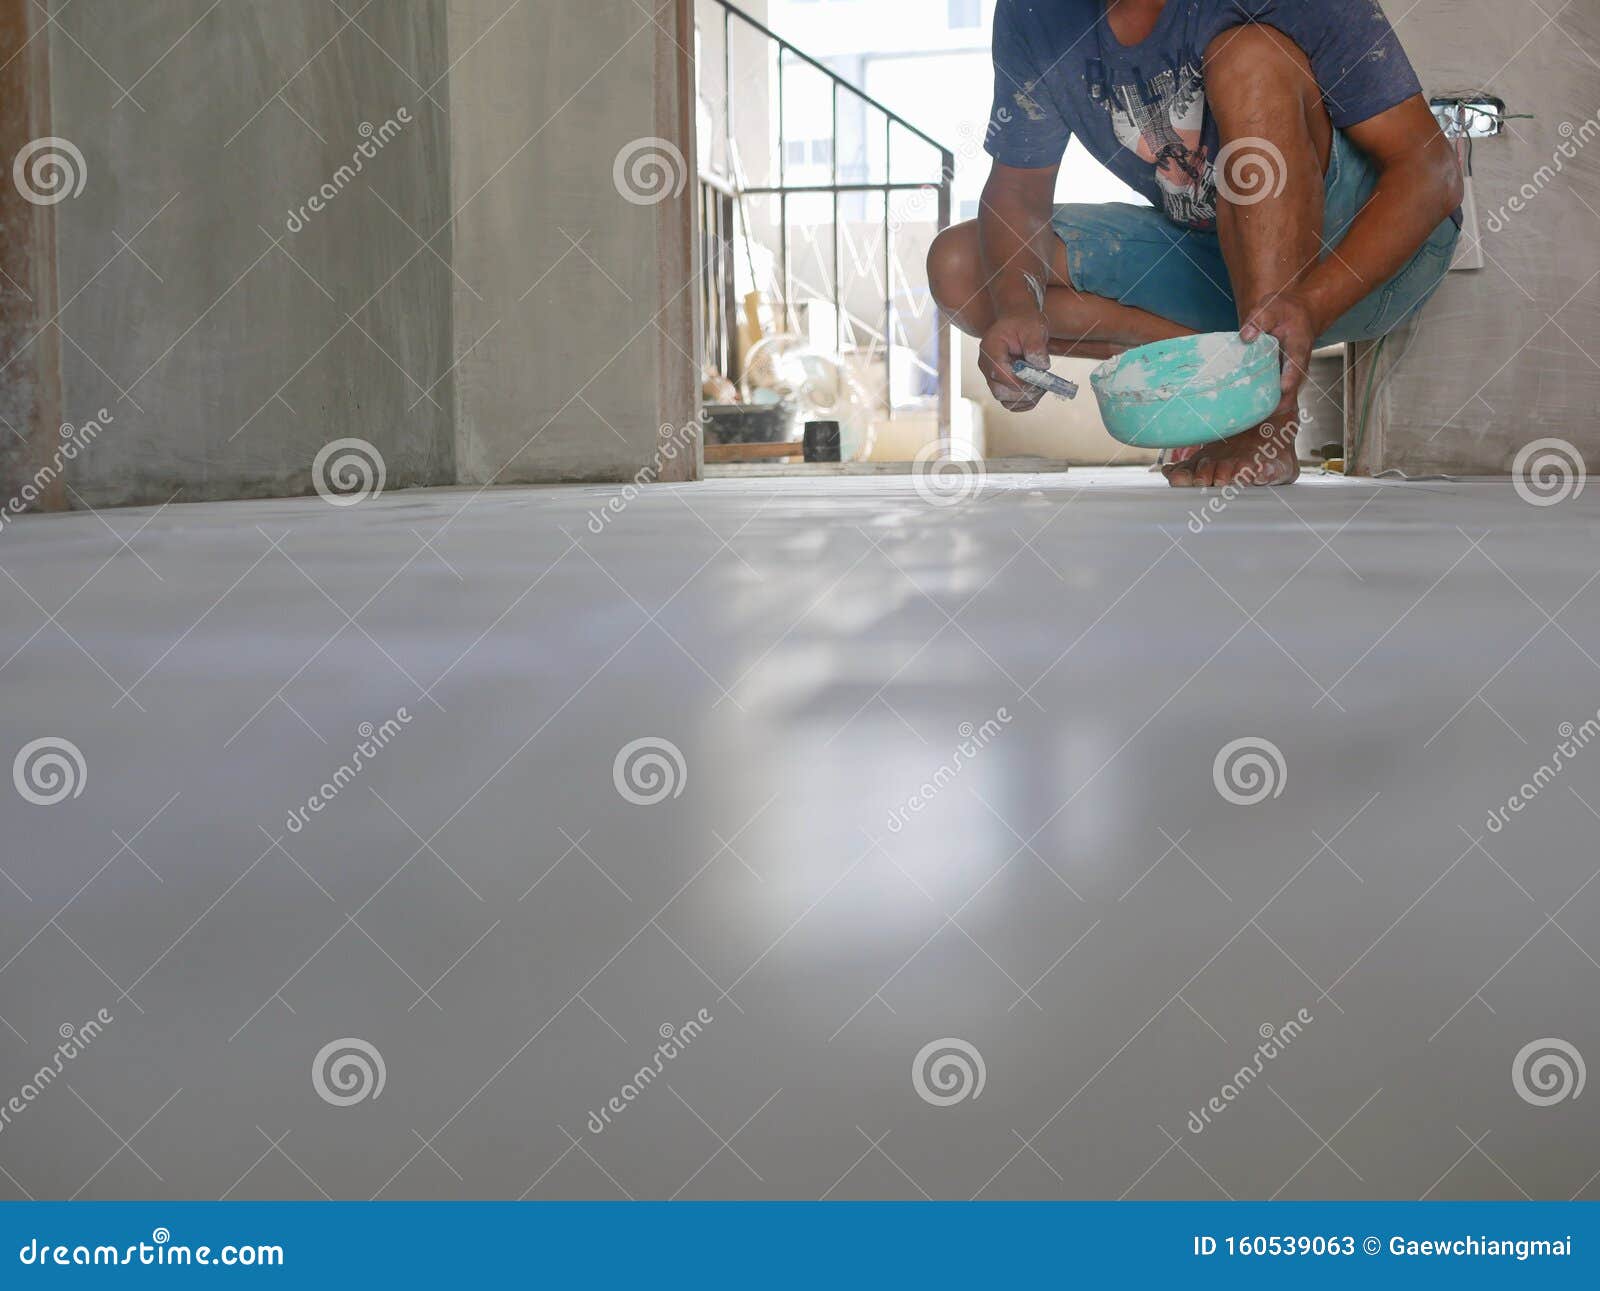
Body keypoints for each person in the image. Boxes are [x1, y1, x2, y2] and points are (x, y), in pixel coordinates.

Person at [926, 0, 1463, 486]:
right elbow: (1019, 189)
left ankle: (1264, 417)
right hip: (1220, 262)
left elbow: (1431, 171)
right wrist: (1019, 307)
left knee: (1249, 56)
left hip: (1363, 260)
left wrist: (1312, 302)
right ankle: (1224, 379)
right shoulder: (1035, 13)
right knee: (962, 268)